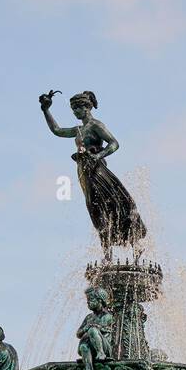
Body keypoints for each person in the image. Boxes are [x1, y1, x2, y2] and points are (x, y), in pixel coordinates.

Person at [39, 89, 146, 255]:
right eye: (72, 109)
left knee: (114, 202)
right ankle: (107, 251)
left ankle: (133, 240)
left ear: (86, 107)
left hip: (97, 170)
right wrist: (46, 110)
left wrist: (98, 155)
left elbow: (114, 143)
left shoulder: (96, 125)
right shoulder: (78, 130)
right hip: (84, 171)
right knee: (95, 209)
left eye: (77, 108)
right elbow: (57, 131)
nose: (74, 112)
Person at [77, 286, 113, 370]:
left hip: (105, 347)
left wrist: (92, 328)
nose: (88, 302)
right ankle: (88, 368)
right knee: (83, 346)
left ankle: (101, 353)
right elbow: (78, 334)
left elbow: (102, 329)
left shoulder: (107, 316)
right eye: (87, 300)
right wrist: (86, 328)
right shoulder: (89, 317)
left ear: (100, 300)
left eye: (91, 299)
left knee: (93, 330)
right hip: (90, 345)